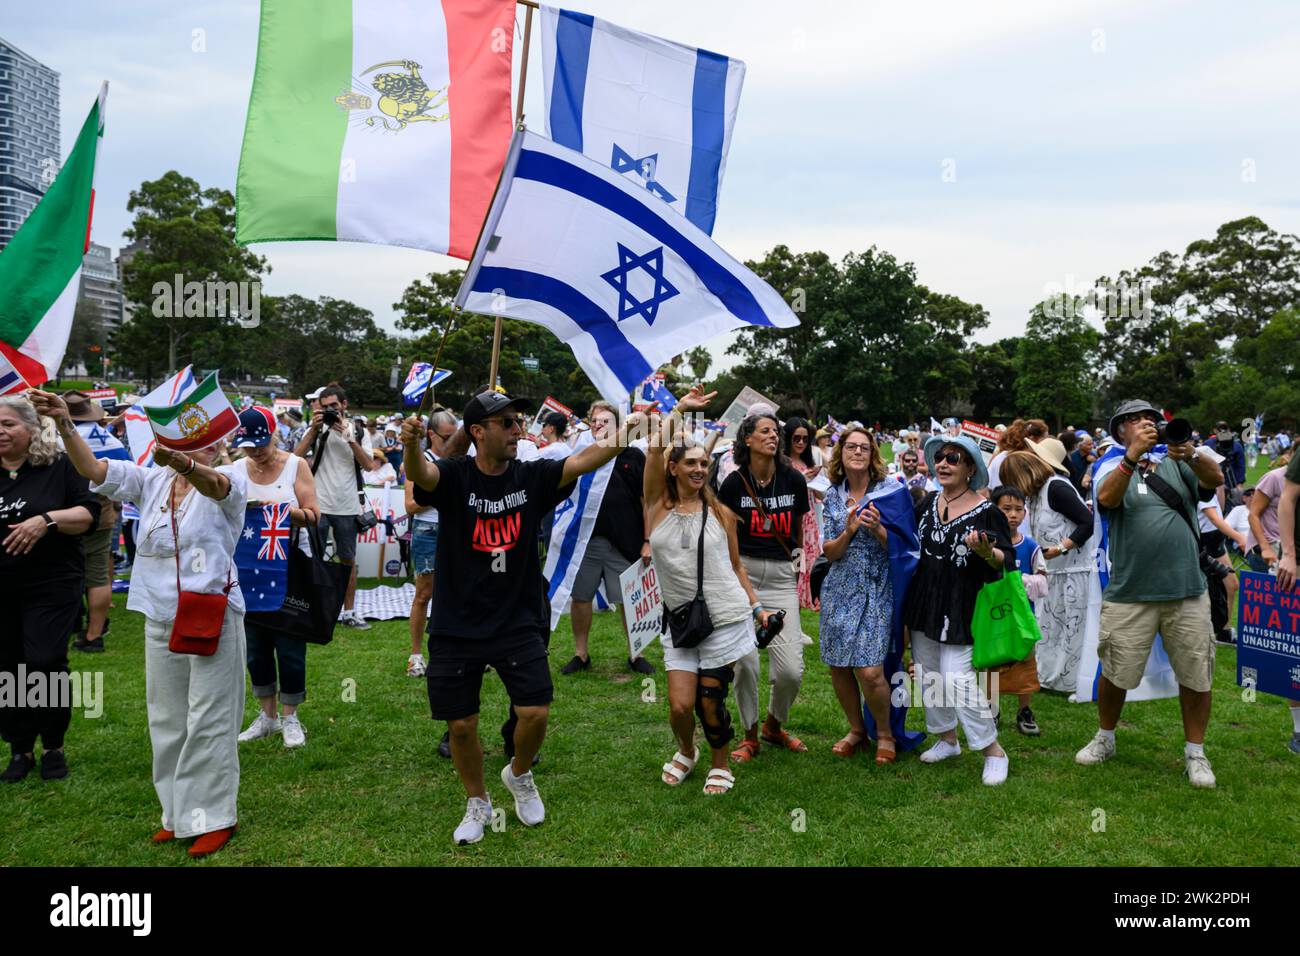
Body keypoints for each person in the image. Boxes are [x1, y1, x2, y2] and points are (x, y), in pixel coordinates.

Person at [401, 390, 649, 845]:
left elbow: (583, 461)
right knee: (461, 724)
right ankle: (477, 800)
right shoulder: (455, 476)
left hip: (517, 618)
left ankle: (518, 775)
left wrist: (629, 428)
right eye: (507, 423)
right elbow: (422, 476)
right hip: (458, 621)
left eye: (518, 421)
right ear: (478, 432)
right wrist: (412, 445)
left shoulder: (531, 476)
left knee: (534, 712)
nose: (519, 430)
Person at [33, 389, 248, 855]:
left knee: (210, 717)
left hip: (212, 613)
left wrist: (188, 466)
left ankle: (212, 816)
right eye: (190, 441)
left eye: (207, 442)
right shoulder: (150, 480)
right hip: (159, 614)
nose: (200, 447)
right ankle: (176, 811)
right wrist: (65, 424)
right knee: (167, 718)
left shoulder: (231, 476)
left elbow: (216, 487)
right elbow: (93, 470)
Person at [1075, 399, 1224, 788]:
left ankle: (1196, 752)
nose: (1147, 424)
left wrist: (1190, 451)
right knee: (1116, 671)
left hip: (1187, 590)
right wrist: (1131, 458)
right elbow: (1106, 500)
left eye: (1152, 419)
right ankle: (1105, 737)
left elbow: (1216, 479)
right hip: (1131, 592)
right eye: (1136, 420)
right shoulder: (1110, 463)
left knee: (1196, 673)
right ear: (1120, 429)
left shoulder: (1179, 460)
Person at [646, 390, 772, 795]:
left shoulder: (720, 513)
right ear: (674, 468)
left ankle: (721, 762)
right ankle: (688, 750)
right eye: (692, 463)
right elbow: (652, 448)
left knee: (708, 700)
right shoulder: (657, 506)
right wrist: (679, 409)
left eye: (705, 463)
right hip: (681, 621)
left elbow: (736, 567)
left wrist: (756, 608)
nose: (700, 469)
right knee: (680, 706)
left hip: (725, 618)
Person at [902, 434, 1014, 786]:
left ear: (969, 468)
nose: (944, 463)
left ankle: (993, 750)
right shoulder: (927, 503)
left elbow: (1006, 560)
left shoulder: (988, 512)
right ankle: (947, 739)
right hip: (924, 603)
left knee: (957, 679)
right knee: (929, 673)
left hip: (963, 606)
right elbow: (908, 547)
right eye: (940, 458)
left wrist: (985, 553)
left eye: (953, 458)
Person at [0, 396, 100, 783]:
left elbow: (88, 513)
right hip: (3, 585)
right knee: (9, 667)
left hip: (51, 582)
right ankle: (20, 747)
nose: (1, 431)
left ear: (30, 427)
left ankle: (53, 744)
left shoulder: (59, 466)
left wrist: (46, 520)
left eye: (9, 424)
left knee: (43, 662)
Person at [718, 410, 811, 762]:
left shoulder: (793, 480)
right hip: (743, 577)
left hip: (782, 576)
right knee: (745, 664)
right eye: (765, 431)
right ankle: (750, 735)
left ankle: (774, 725)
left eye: (776, 431)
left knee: (789, 671)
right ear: (748, 440)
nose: (773, 436)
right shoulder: (732, 485)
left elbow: (798, 527)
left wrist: (798, 560)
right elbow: (726, 539)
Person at [230, 407, 320, 749]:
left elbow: (313, 515)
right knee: (255, 647)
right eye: (248, 446)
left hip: (288, 570)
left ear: (274, 435)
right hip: (248, 569)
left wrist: (279, 511)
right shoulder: (237, 468)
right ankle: (266, 716)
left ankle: (290, 716)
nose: (255, 452)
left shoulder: (297, 465)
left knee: (291, 646)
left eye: (261, 445)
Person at [818, 427, 897, 762]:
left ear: (873, 455)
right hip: (839, 588)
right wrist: (849, 530)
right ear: (841, 453)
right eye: (851, 446)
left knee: (870, 670)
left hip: (877, 586)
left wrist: (878, 528)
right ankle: (856, 730)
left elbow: (903, 549)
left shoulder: (889, 493)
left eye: (864, 447)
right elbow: (830, 552)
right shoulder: (832, 496)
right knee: (839, 665)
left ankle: (885, 733)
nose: (858, 452)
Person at [560, 401, 653, 676]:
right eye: (595, 421)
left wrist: (647, 540)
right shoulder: (582, 454)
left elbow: (646, 501)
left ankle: (637, 653)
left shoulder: (634, 456)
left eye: (605, 421)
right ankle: (581, 654)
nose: (598, 425)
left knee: (630, 599)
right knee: (581, 597)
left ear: (619, 426)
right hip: (586, 541)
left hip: (626, 541)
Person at [999, 443, 1095, 696]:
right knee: (1050, 628)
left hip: (1074, 572)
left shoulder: (1057, 488)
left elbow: (1087, 522)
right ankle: (1049, 676)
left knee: (1073, 629)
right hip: (1054, 573)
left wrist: (1061, 548)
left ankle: (1074, 682)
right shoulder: (1037, 494)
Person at [293, 385, 378, 630]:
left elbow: (369, 465)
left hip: (347, 505)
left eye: (334, 405)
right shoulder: (315, 430)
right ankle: (314, 609)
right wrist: (312, 431)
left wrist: (349, 438)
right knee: (314, 559)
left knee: (347, 561)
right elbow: (295, 460)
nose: (330, 410)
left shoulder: (357, 430)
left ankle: (349, 612)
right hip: (316, 503)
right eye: (325, 406)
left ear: (344, 405)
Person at [63, 391, 120, 654]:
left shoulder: (53, 436)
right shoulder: (106, 437)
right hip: (102, 512)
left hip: (63, 515)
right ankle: (94, 635)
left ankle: (70, 624)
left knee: (64, 573)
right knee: (97, 576)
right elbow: (123, 471)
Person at [990, 485, 1049, 735]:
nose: (1013, 515)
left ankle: (1024, 709)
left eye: (1018, 509)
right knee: (989, 661)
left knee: (1025, 663)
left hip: (1023, 619)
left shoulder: (1030, 546)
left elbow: (1043, 577)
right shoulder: (987, 545)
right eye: (1006, 509)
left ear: (1025, 513)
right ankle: (990, 709)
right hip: (994, 618)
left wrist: (1025, 582)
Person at [406, 408, 459, 680]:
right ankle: (415, 655)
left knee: (460, 592)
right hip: (428, 530)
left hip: (457, 528)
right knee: (424, 594)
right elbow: (410, 505)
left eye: (454, 437)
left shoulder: (461, 458)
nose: (450, 443)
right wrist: (437, 491)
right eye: (445, 437)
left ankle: (461, 650)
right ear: (431, 434)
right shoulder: (420, 460)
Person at [784, 416, 824, 611]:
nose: (800, 442)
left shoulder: (809, 461)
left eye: (805, 439)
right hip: (792, 521)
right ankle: (792, 610)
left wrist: (815, 482)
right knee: (795, 565)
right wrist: (801, 479)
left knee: (806, 565)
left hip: (809, 521)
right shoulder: (782, 463)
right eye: (796, 438)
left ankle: (798, 612)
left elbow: (820, 496)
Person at [1246, 461, 1290, 574]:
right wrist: (1265, 548)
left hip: (1289, 548)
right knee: (1272, 591)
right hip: (1267, 548)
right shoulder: (1274, 477)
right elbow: (1253, 515)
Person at [987, 418, 1049, 490]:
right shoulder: (1021, 460)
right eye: (1044, 439)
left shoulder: (1002, 455)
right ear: (1032, 439)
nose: (1046, 443)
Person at [1204, 421, 1246, 498]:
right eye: (1220, 429)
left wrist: (1240, 482)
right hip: (1213, 478)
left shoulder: (1236, 445)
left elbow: (1241, 465)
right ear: (1215, 430)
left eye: (1225, 428)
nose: (1222, 431)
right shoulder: (1208, 444)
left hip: (1231, 479)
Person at [1067, 431, 1097, 497]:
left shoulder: (1094, 456)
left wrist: (1095, 461)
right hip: (1073, 491)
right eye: (1089, 444)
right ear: (1080, 445)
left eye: (1092, 444)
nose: (1092, 447)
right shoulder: (1071, 457)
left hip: (1088, 494)